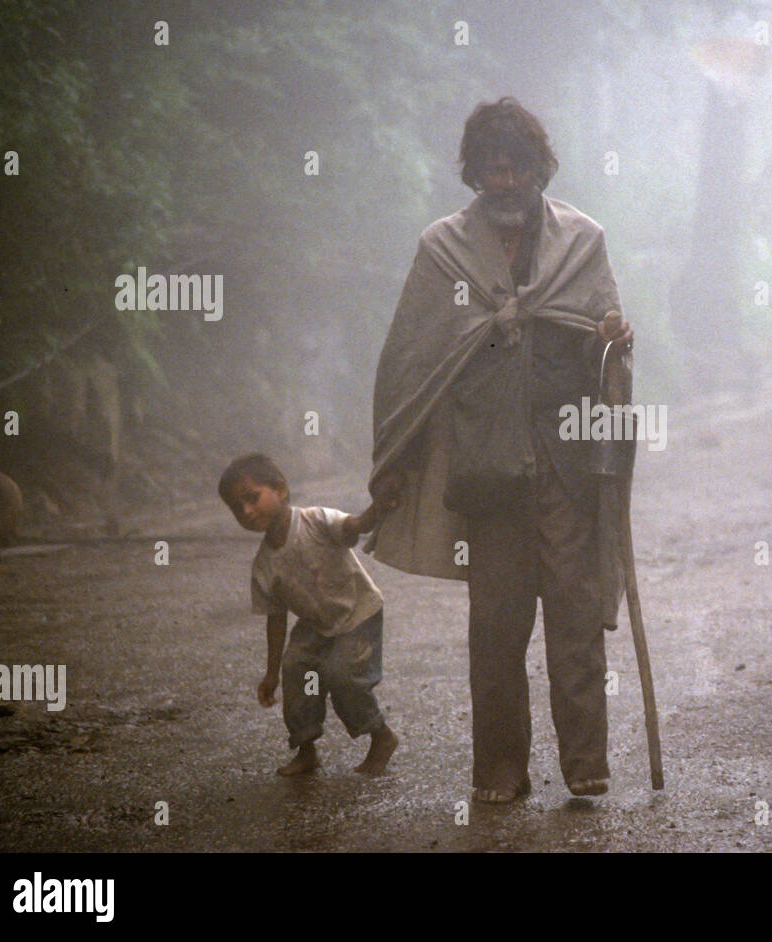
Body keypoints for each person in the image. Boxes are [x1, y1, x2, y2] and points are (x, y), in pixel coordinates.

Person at [367, 98, 632, 803]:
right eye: (492, 171)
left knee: (575, 615)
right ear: (474, 175)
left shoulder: (582, 241)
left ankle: (585, 765)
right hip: (486, 468)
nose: (506, 183)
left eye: (517, 168)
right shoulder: (442, 250)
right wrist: (393, 462)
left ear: (539, 169)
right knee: (496, 625)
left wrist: (613, 342)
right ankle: (500, 773)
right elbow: (413, 364)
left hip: (567, 465)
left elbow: (604, 343)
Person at [219, 453, 398, 776]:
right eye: (236, 507)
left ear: (281, 489)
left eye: (252, 498)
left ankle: (381, 736)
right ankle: (306, 750)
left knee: (343, 676)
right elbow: (276, 619)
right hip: (316, 625)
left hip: (358, 613)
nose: (245, 511)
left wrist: (378, 507)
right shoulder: (263, 566)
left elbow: (354, 526)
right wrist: (271, 672)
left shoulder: (315, 520)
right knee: (295, 670)